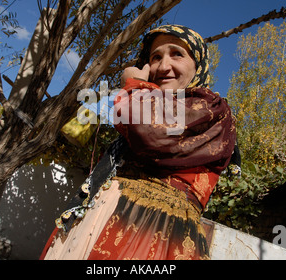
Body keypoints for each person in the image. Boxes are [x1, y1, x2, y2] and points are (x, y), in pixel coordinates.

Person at [41, 25, 237, 260]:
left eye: (177, 54)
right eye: (155, 57)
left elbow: (151, 133)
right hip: (97, 221)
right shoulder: (144, 103)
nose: (164, 67)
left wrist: (135, 85)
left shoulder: (212, 109)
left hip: (153, 235)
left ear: (198, 65)